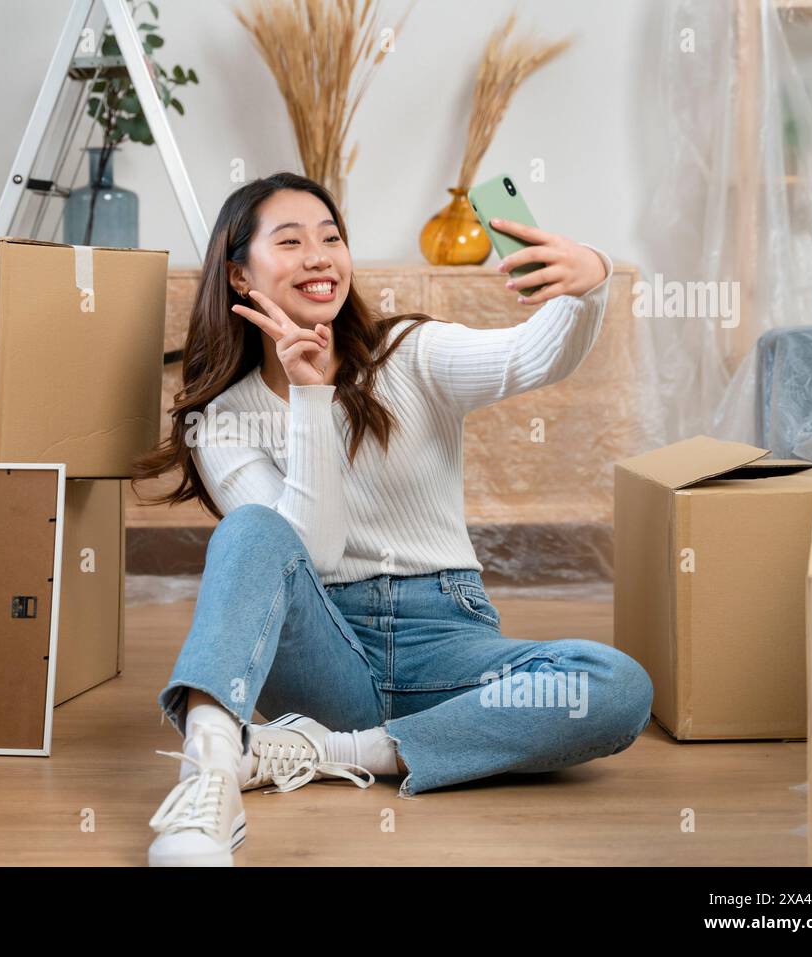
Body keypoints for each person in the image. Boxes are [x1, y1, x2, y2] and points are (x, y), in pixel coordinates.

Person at [130, 171, 654, 867]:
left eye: (331, 238)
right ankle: (211, 777)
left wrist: (590, 280)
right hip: (324, 655)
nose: (319, 256)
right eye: (290, 241)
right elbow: (308, 550)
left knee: (616, 686)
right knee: (252, 530)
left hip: (447, 641)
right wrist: (312, 402)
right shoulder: (225, 419)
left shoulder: (411, 352)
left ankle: (334, 752)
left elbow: (531, 355)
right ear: (239, 273)